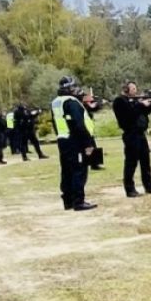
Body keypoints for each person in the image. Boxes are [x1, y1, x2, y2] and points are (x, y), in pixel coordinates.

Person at [51, 77, 99, 211]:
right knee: (79, 170)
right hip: (75, 141)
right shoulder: (72, 102)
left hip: (62, 139)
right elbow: (79, 124)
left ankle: (68, 201)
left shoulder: (56, 102)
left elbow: (55, 122)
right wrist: (88, 143)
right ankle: (78, 201)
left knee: (67, 170)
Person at [111, 81, 151, 197]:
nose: (136, 91)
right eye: (133, 88)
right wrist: (141, 104)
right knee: (131, 162)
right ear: (126, 89)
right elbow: (129, 115)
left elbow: (143, 112)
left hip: (140, 134)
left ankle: (149, 186)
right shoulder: (120, 101)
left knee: (145, 160)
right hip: (131, 134)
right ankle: (130, 189)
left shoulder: (135, 101)